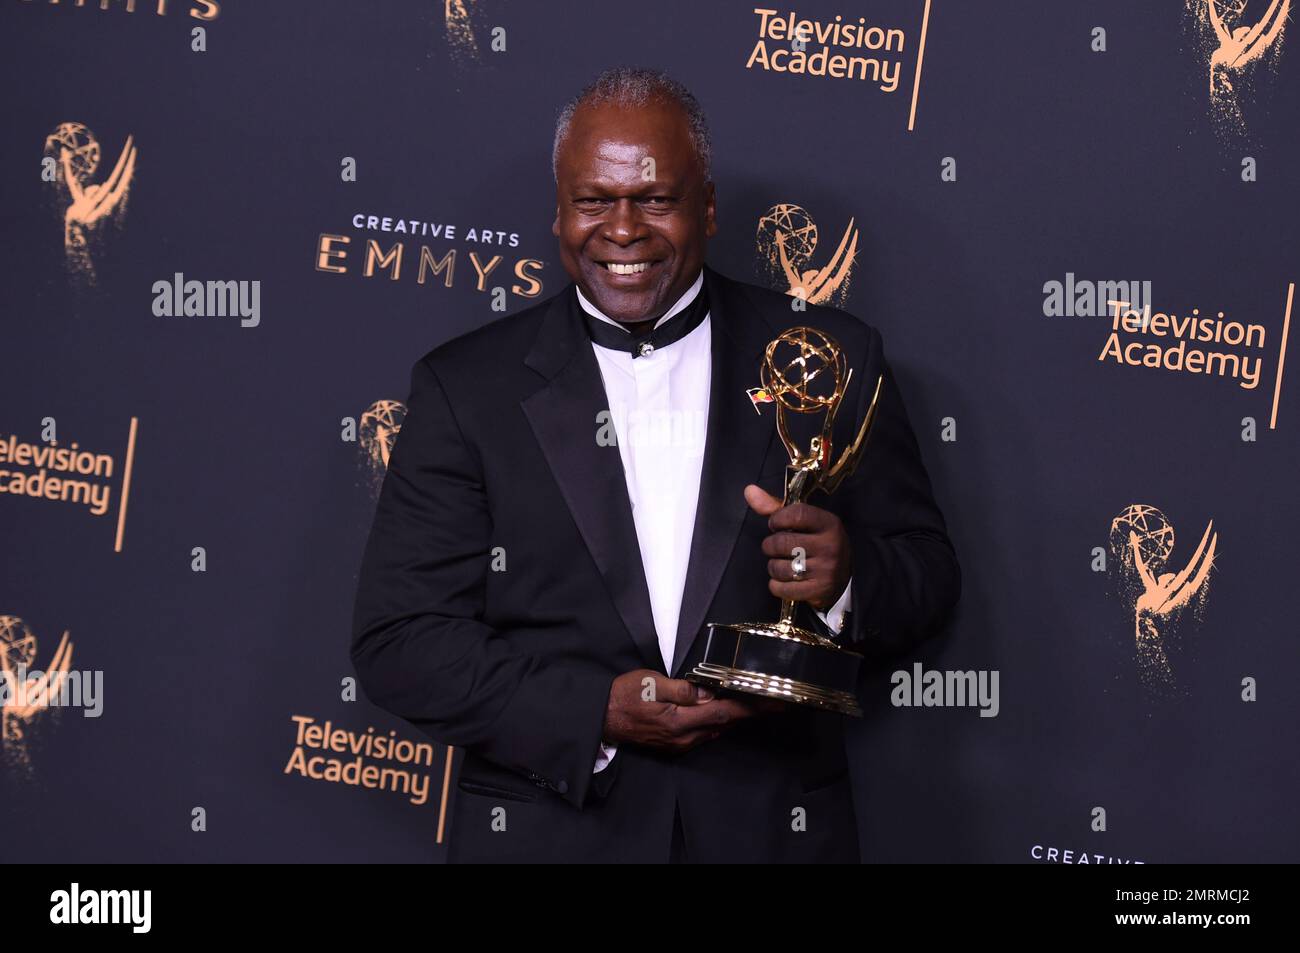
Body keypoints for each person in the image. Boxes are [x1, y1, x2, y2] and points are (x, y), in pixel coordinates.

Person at [351, 67, 959, 863]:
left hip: (774, 831)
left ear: (707, 206)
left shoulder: (828, 357)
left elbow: (928, 575)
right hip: (551, 833)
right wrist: (594, 710)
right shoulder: (465, 389)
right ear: (560, 210)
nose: (623, 230)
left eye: (655, 199)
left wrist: (848, 579)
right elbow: (400, 640)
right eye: (594, 201)